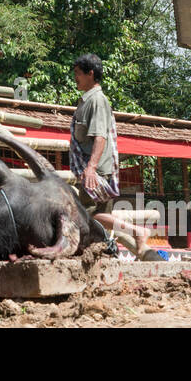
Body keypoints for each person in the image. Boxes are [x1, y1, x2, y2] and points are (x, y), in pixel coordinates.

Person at [69, 53, 157, 259]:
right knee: (97, 223)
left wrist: (91, 168)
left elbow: (100, 137)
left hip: (96, 170)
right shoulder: (86, 101)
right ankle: (104, 256)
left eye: (78, 74)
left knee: (88, 215)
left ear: (91, 74)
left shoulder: (97, 100)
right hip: (93, 169)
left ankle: (137, 231)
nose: (76, 78)